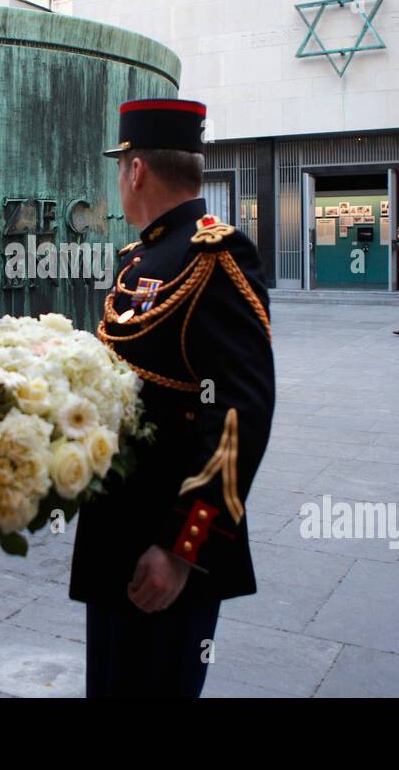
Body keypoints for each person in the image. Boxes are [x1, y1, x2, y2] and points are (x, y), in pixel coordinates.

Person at [70, 98, 276, 697]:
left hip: (167, 541)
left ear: (136, 170)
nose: (120, 180)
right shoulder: (139, 257)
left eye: (121, 167)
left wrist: (183, 547)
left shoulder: (216, 255)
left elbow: (240, 414)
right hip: (116, 531)